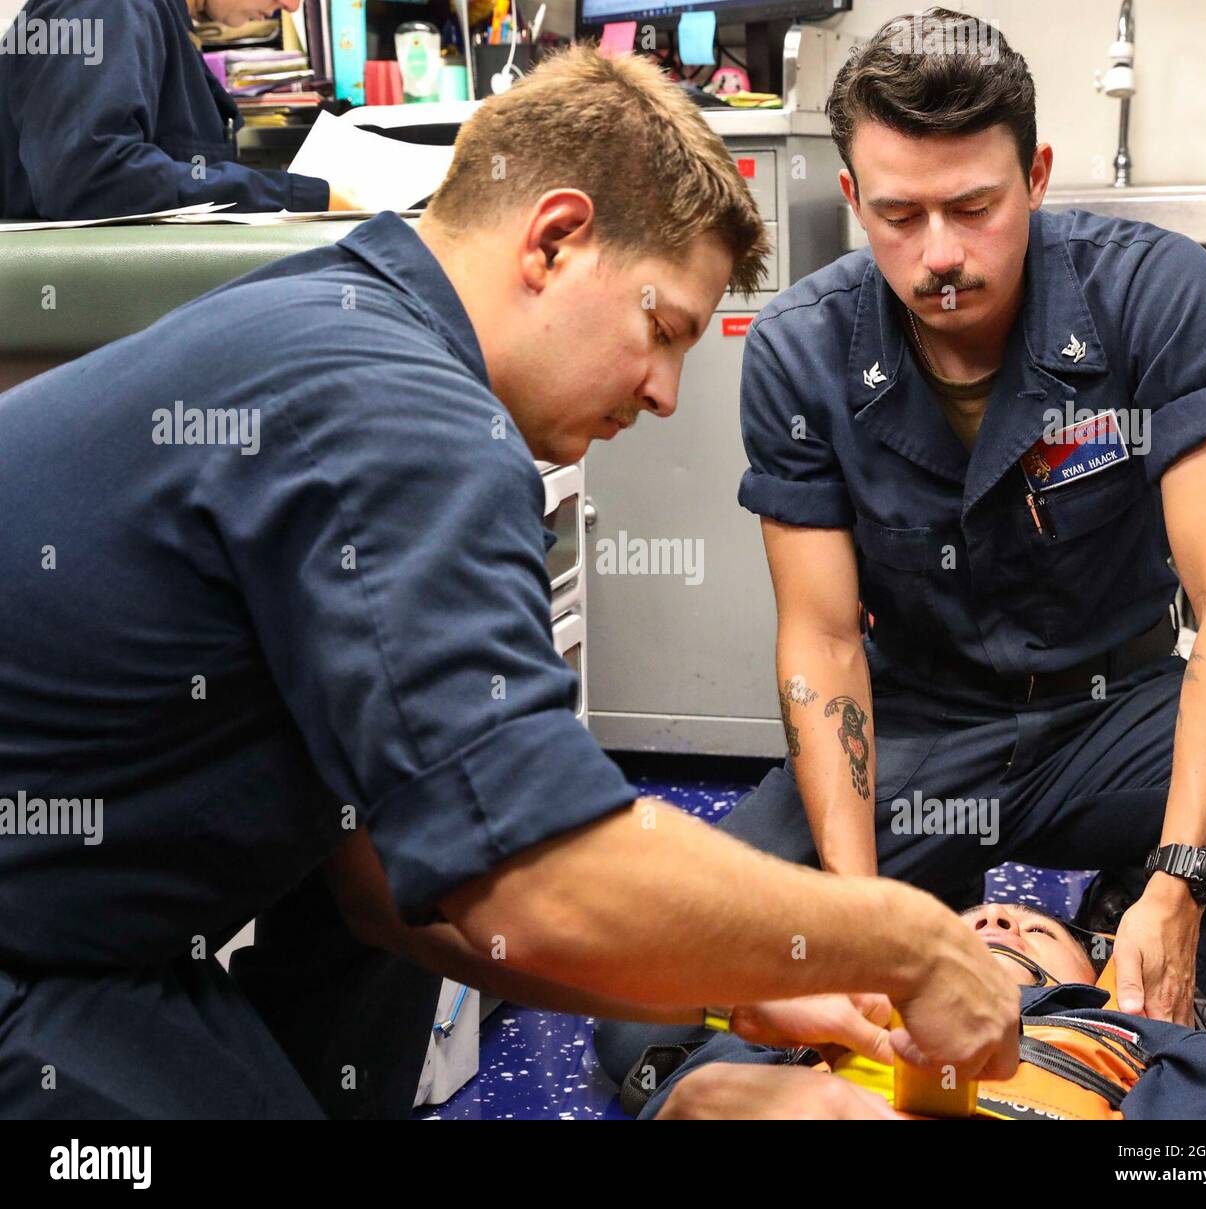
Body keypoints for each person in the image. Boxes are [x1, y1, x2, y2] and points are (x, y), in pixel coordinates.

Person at [0, 45, 1021, 1120]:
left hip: (73, 906)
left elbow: (397, 902)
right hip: (34, 956)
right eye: (661, 329)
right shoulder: (403, 412)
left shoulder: (337, 323)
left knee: (400, 897)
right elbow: (545, 879)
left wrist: (742, 980)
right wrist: (914, 942)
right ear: (555, 240)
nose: (666, 393)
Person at [722, 6, 1206, 1029]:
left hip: (1110, 718)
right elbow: (819, 642)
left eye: (974, 207)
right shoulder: (797, 350)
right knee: (686, 966)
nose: (940, 253)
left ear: (1034, 177)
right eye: (899, 216)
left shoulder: (1155, 294)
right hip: (915, 737)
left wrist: (1178, 884)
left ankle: (1142, 994)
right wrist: (855, 918)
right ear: (851, 197)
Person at [633, 902, 1206, 1120]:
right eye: (968, 923)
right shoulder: (829, 1015)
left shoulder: (1124, 1033)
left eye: (1040, 931)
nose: (1003, 915)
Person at [0, 0, 353, 220]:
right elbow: (90, 178)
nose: (292, 5)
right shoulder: (108, 7)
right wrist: (294, 196)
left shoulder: (162, 22)